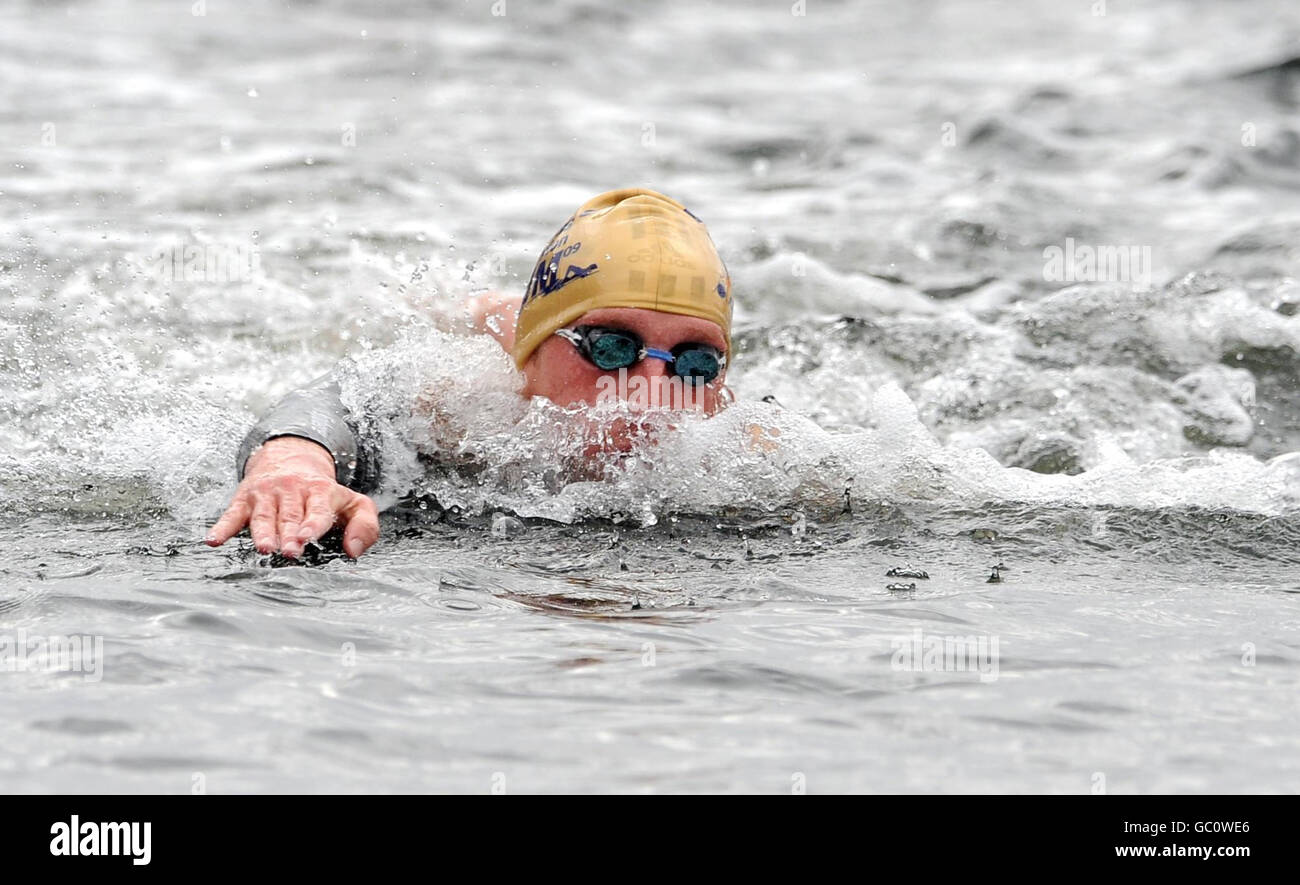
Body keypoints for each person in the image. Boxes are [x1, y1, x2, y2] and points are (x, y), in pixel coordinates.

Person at [204, 187, 734, 560]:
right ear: (533, 352)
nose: (645, 393)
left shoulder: (740, 450)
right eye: (611, 348)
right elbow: (348, 394)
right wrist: (293, 461)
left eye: (695, 364)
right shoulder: (465, 408)